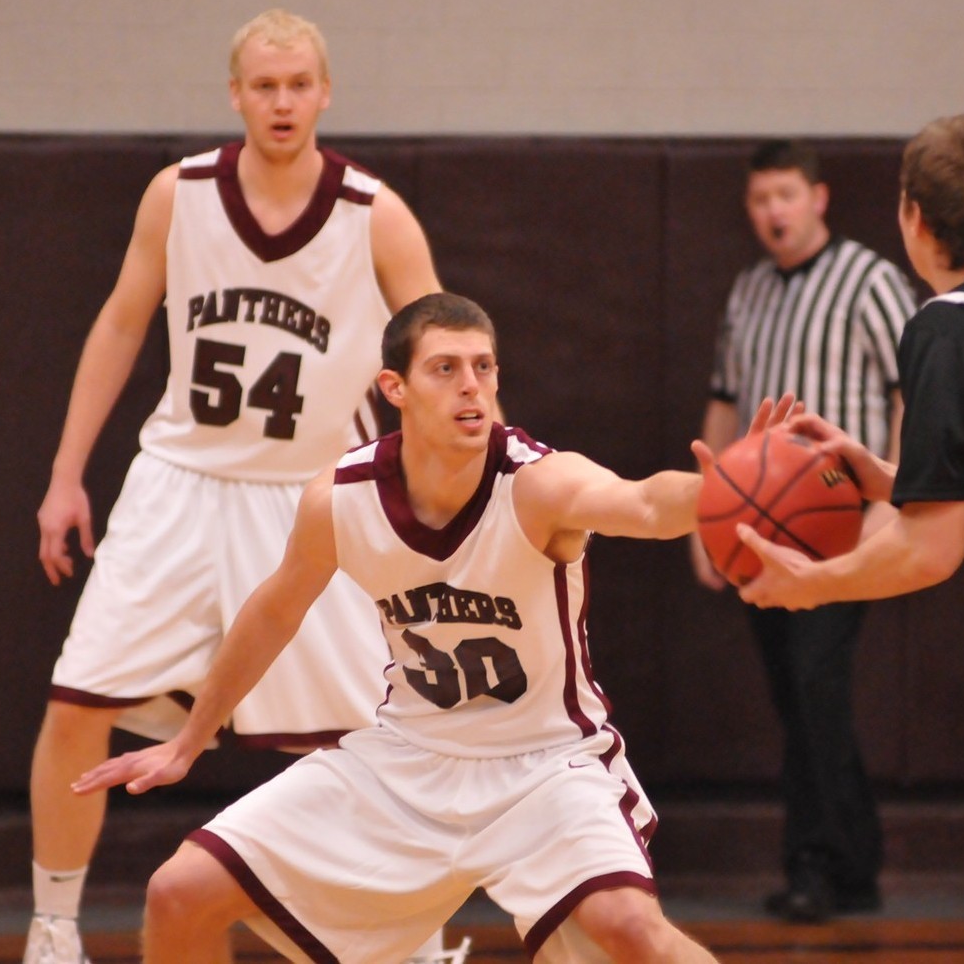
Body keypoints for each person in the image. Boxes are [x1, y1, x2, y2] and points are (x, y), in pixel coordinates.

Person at [69, 293, 788, 964]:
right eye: (445, 368)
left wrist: (722, 489)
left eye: (483, 367)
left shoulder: (538, 484)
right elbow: (275, 609)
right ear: (395, 388)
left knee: (631, 929)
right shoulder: (342, 498)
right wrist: (191, 739)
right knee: (178, 892)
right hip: (409, 759)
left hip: (545, 765)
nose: (471, 385)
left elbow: (641, 504)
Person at [23, 8, 451, 964]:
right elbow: (121, 325)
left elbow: (442, 352)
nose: (283, 101)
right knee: (76, 702)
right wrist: (65, 475)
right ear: (235, 95)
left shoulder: (373, 213)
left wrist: (450, 485)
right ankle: (53, 930)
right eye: (265, 85)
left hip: (309, 493)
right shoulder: (178, 195)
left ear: (326, 92)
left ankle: (403, 938)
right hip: (179, 481)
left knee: (347, 744)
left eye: (299, 84)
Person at [736, 114, 964, 964]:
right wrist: (879, 472)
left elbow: (929, 552)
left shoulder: (951, 324)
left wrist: (814, 581)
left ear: (913, 218)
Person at [689, 139, 918, 922]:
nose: (772, 212)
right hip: (758, 530)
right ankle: (855, 865)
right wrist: (704, 517)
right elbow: (725, 404)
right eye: (759, 199)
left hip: (838, 526)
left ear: (818, 197)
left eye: (786, 194)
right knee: (797, 700)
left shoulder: (870, 280)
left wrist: (891, 502)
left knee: (817, 694)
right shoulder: (749, 289)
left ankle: (815, 865)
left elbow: (908, 395)